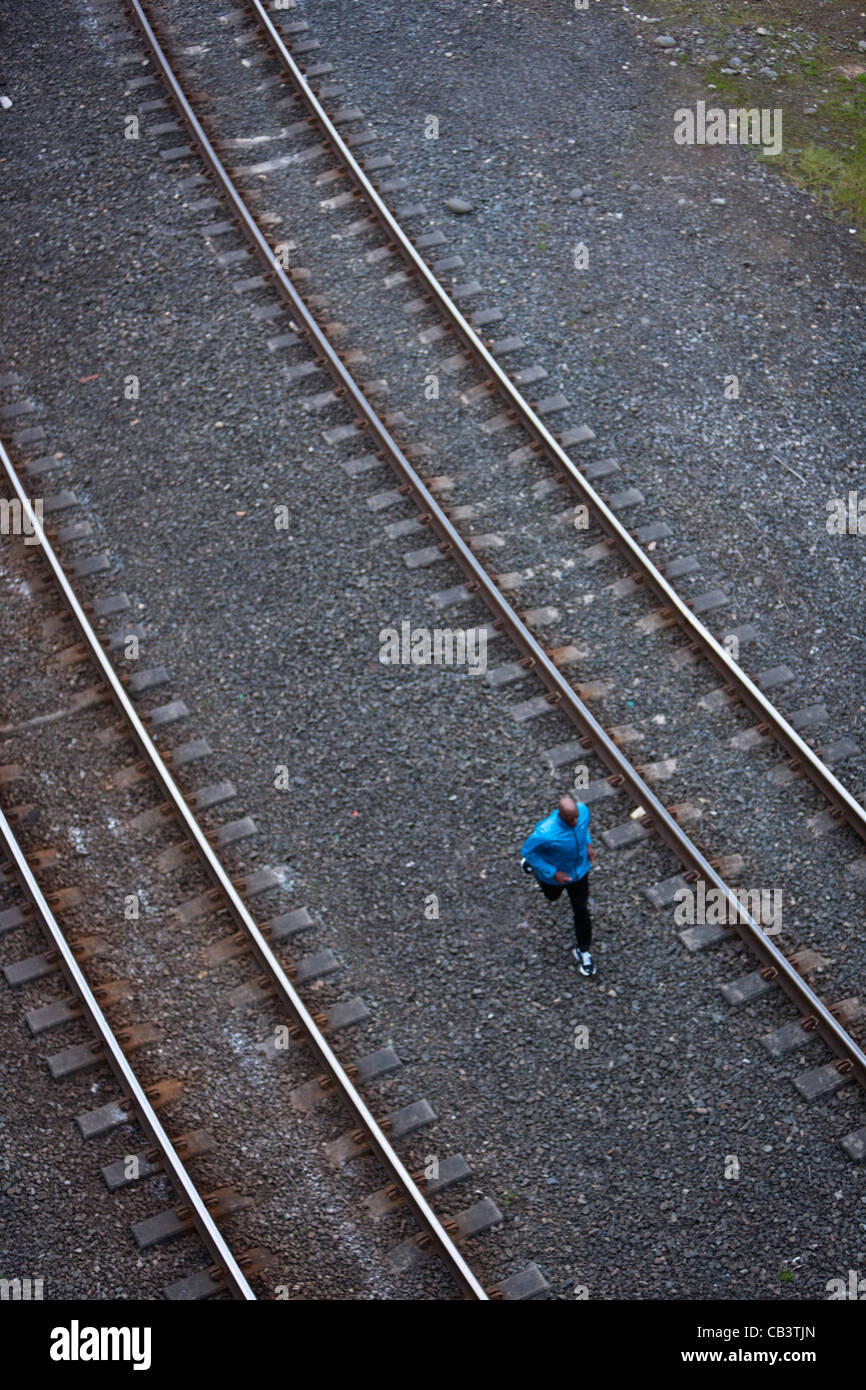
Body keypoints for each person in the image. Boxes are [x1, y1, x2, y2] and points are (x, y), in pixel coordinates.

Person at [520, 795, 598, 975]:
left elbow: (583, 829)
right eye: (571, 819)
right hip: (554, 877)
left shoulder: (583, 813)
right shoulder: (545, 833)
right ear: (560, 816)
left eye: (576, 816)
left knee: (581, 910)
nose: (576, 821)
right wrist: (553, 872)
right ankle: (533, 870)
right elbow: (529, 852)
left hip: (579, 873)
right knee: (552, 897)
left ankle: (583, 950)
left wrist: (588, 846)